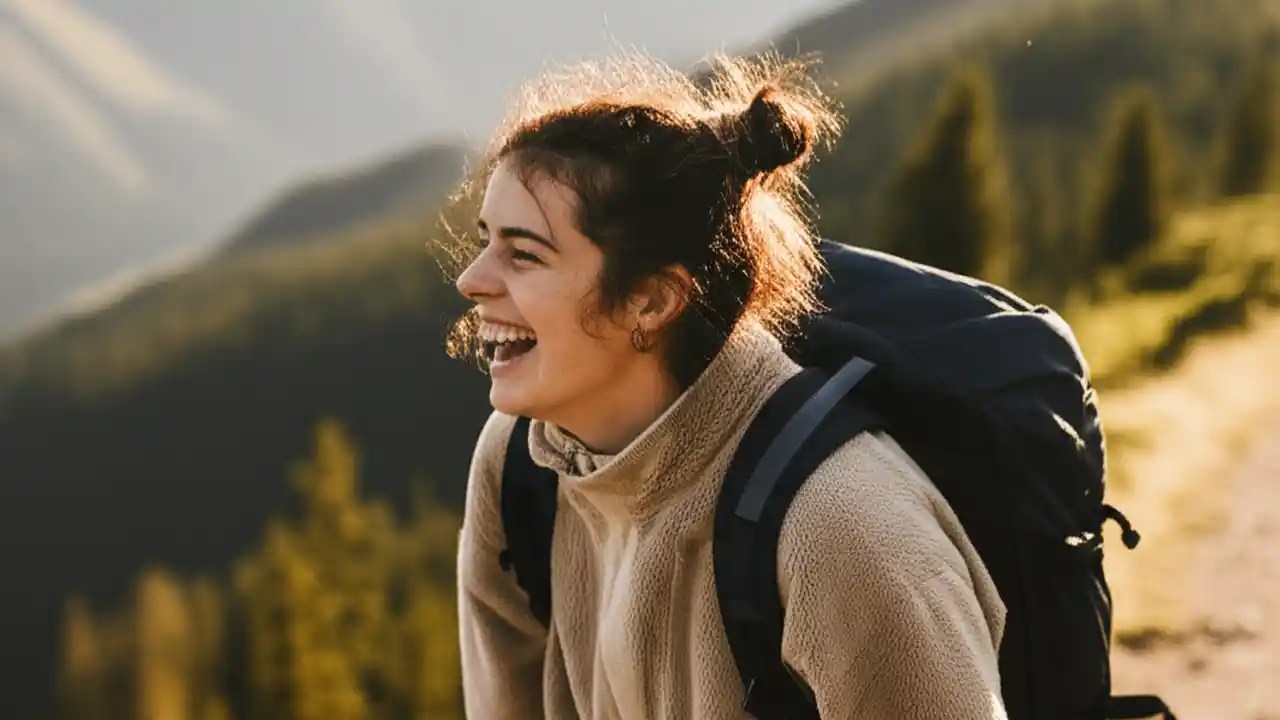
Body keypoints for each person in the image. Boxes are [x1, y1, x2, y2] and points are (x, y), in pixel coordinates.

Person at [443, 49, 1008, 719]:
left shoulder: (845, 528)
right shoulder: (519, 469)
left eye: (523, 253)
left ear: (651, 301)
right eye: (485, 240)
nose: (471, 280)